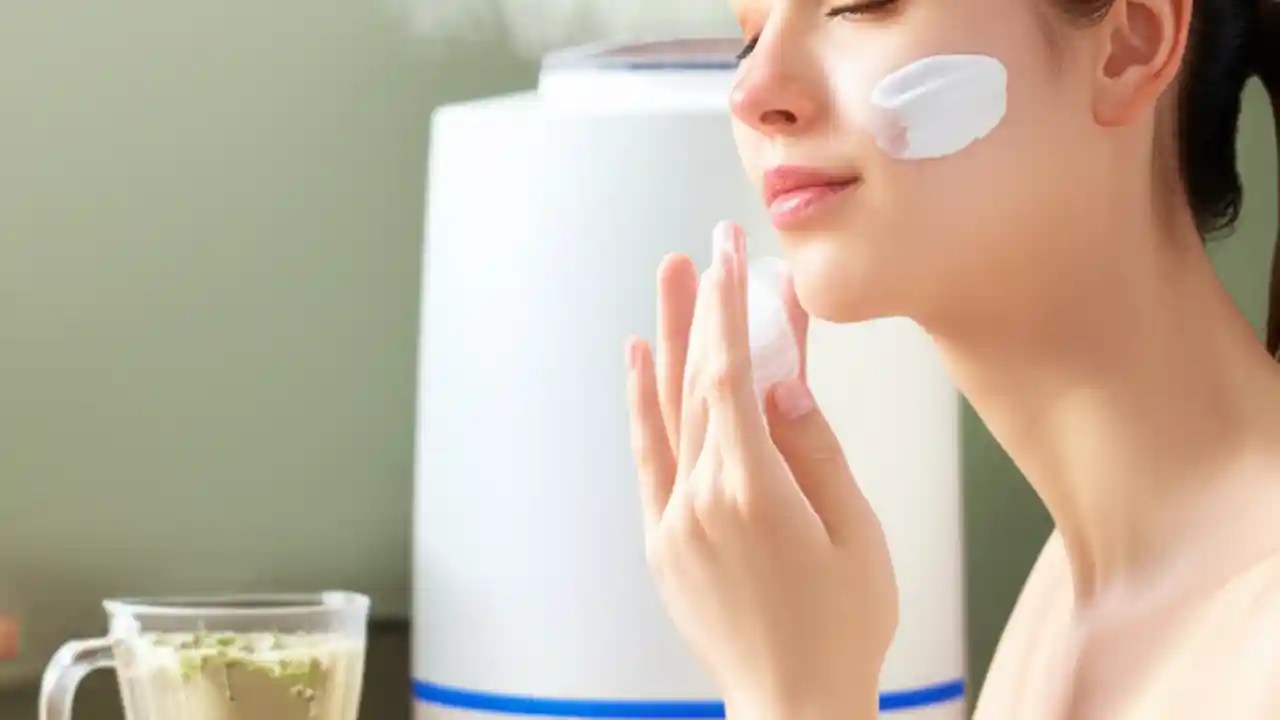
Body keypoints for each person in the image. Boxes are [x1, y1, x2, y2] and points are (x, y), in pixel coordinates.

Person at [623, 0, 1280, 718]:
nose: (752, 94)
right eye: (748, 36)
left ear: (1129, 43)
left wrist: (798, 696)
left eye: (857, 5)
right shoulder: (1072, 598)